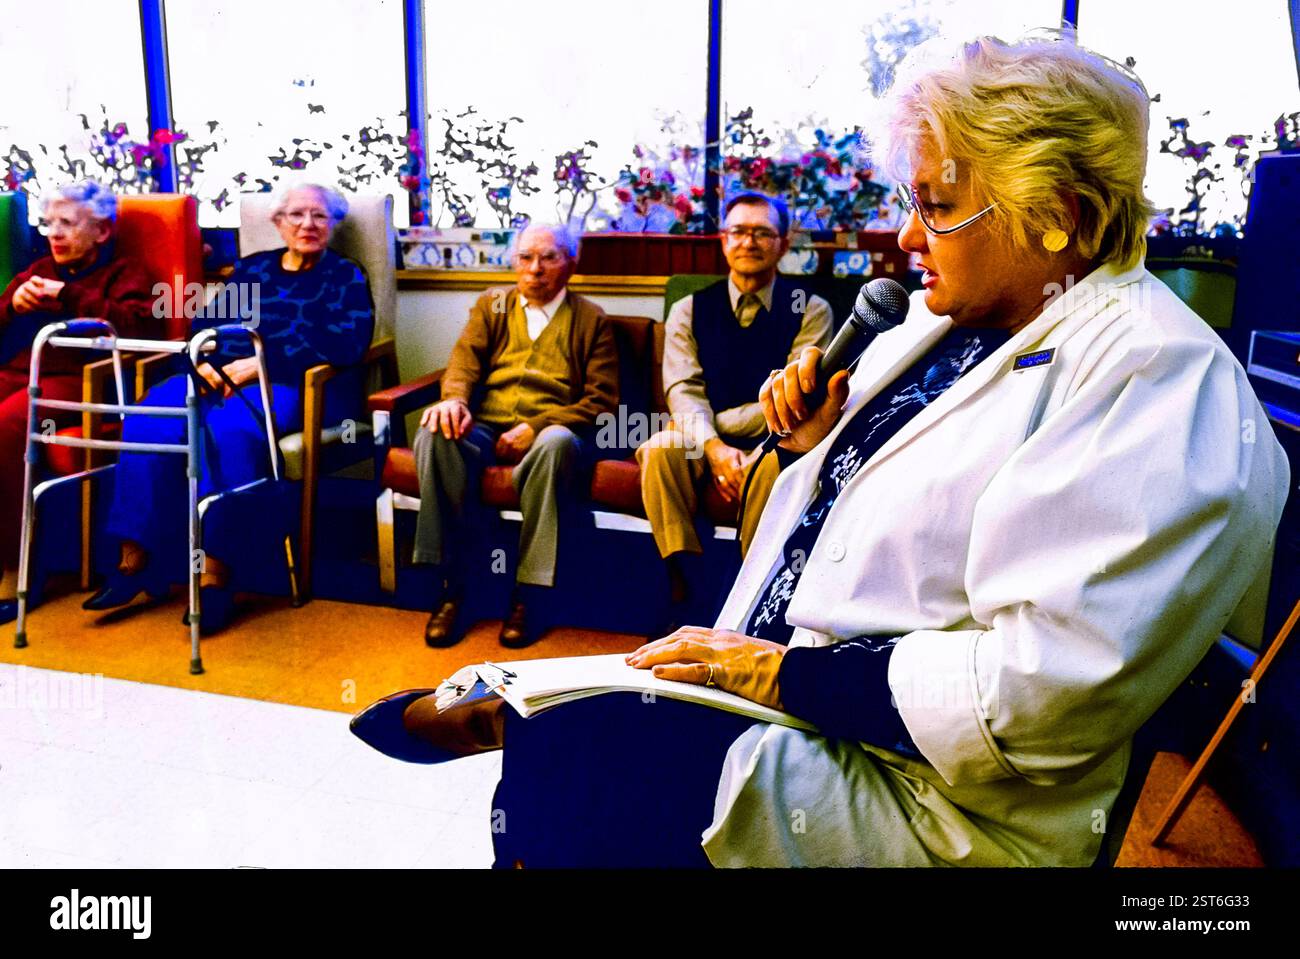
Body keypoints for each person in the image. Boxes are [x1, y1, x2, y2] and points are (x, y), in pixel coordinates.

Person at [380, 33, 1289, 867]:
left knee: (572, 768)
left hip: (928, 794)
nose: (904, 237)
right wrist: (818, 450)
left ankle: (510, 723)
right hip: (778, 687)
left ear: (1060, 215)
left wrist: (783, 673)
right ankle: (514, 712)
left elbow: (1040, 694)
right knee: (569, 743)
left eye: (937, 206)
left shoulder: (1160, 379)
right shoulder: (945, 326)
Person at [83, 183, 374, 634]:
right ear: (277, 223)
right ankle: (135, 558)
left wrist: (259, 364)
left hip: (289, 382)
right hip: (218, 372)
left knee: (230, 433)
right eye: (296, 215)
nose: (307, 225)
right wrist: (204, 364)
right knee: (149, 418)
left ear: (333, 224)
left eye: (319, 216)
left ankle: (215, 573)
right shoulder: (251, 271)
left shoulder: (344, 276)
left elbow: (346, 342)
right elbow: (206, 324)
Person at [413, 224, 617, 649]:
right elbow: (463, 364)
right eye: (525, 258)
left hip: (554, 433)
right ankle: (453, 586)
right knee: (436, 433)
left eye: (549, 258)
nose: (535, 269)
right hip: (486, 425)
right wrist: (455, 402)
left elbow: (602, 399)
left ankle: (531, 594)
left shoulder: (591, 319)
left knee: (556, 444)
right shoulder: (493, 305)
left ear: (571, 265)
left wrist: (538, 426)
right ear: (513, 262)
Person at [636, 192, 831, 621]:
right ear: (724, 241)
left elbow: (798, 392)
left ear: (782, 243)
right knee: (660, 450)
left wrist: (728, 429)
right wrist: (715, 446)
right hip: (700, 435)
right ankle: (686, 588)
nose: (749, 242)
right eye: (739, 232)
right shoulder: (689, 308)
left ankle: (746, 600)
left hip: (780, 432)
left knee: (773, 467)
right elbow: (682, 389)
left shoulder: (810, 309)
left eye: (763, 232)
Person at [0, 181, 155, 625]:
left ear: (103, 231)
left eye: (68, 224)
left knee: (8, 426)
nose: (55, 233)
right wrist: (12, 305)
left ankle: (18, 567)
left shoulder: (127, 272)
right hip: (17, 372)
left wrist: (68, 297)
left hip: (78, 381)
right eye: (49, 224)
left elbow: (139, 328)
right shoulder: (37, 269)